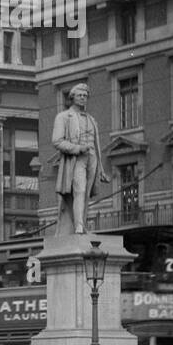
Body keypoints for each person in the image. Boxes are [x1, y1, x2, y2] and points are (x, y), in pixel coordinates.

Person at [51, 83, 108, 235]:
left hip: (92, 159)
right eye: (80, 95)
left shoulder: (91, 119)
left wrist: (101, 169)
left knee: (85, 195)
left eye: (85, 96)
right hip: (76, 159)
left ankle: (81, 224)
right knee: (80, 191)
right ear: (72, 97)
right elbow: (57, 141)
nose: (83, 98)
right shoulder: (63, 117)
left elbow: (96, 144)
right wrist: (77, 148)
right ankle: (79, 226)